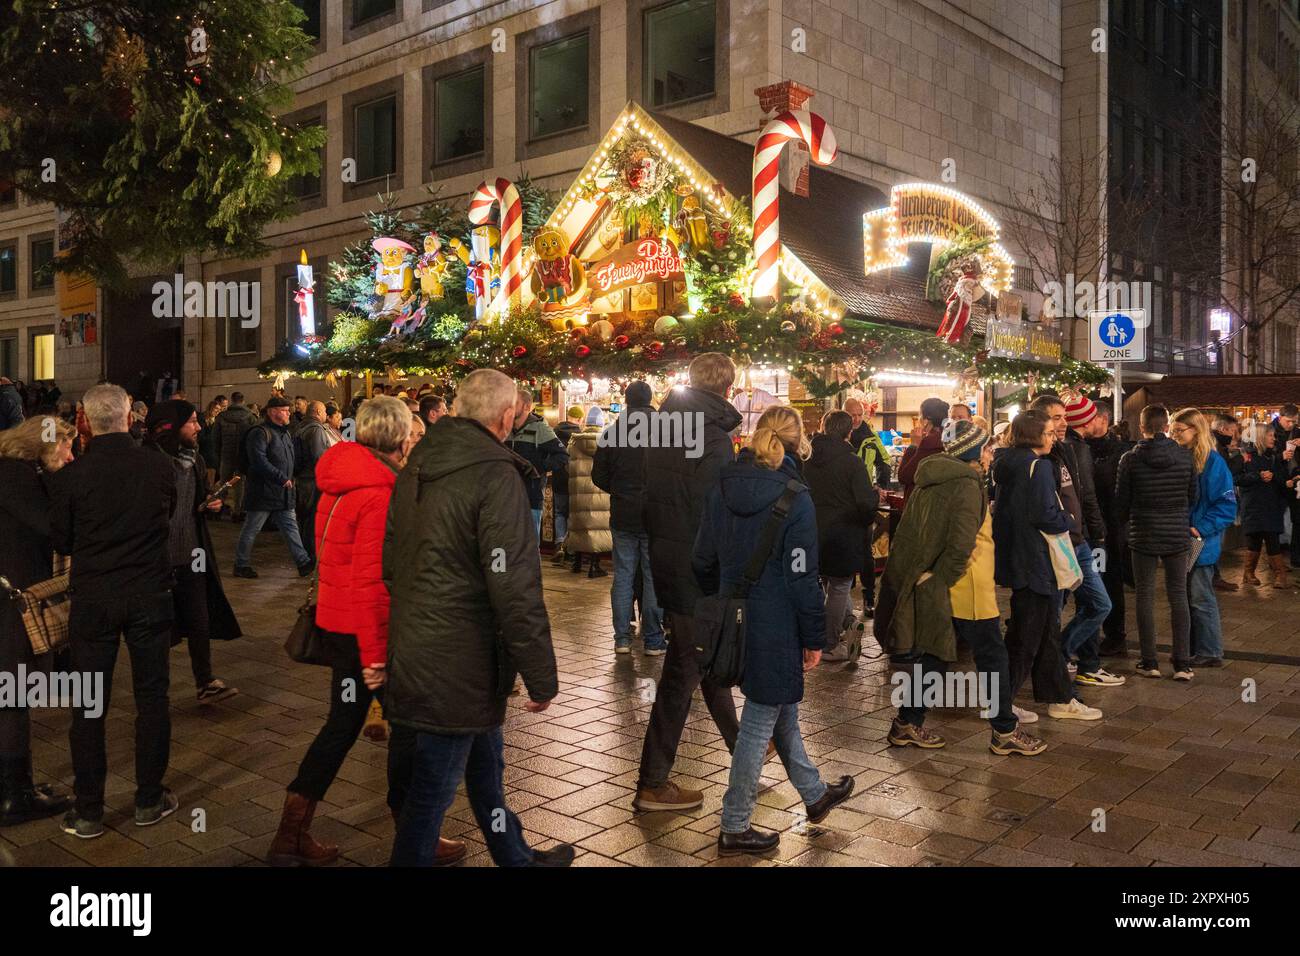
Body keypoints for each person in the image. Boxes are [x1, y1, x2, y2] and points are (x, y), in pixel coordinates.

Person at [266, 397, 466, 867]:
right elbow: (374, 584)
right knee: (408, 730)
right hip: (370, 633)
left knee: (341, 726)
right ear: (398, 438)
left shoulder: (340, 480)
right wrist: (377, 655)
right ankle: (414, 833)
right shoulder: (379, 493)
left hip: (338, 623)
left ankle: (290, 833)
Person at [385, 370, 568, 868]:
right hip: (460, 659)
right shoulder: (495, 474)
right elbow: (513, 585)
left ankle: (515, 856)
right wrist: (541, 675)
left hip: (421, 644)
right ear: (508, 416)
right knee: (432, 792)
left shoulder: (418, 463)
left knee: (487, 771)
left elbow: (390, 559)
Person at [694, 405, 855, 856]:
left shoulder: (721, 485)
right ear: (796, 440)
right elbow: (803, 577)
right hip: (776, 621)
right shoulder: (795, 497)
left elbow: (701, 558)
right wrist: (814, 636)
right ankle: (735, 824)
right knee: (758, 722)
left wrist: (725, 601)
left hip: (733, 617)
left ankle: (814, 793)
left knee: (778, 707)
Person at [50, 384, 180, 839]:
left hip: (95, 597)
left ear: (85, 420)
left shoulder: (73, 475)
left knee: (89, 707)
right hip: (148, 592)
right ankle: (148, 797)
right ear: (129, 417)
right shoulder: (158, 464)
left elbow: (62, 540)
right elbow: (169, 517)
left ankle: (88, 809)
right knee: (152, 698)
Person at [877, 421, 1045, 755]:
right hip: (967, 584)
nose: (989, 454)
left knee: (936, 655)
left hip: (952, 584)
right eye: (985, 448)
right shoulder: (967, 484)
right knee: (992, 657)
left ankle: (907, 723)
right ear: (971, 451)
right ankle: (1005, 730)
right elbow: (961, 543)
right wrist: (943, 579)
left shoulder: (935, 477)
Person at [635, 352, 742, 813]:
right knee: (684, 670)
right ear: (727, 388)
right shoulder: (716, 440)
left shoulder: (659, 431)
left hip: (666, 557)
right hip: (698, 568)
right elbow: (719, 513)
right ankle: (653, 782)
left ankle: (747, 749)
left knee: (702, 658)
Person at [992, 409, 1102, 722]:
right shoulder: (1037, 467)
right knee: (1027, 636)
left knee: (1043, 633)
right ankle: (1001, 702)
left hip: (1018, 557)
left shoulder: (1006, 464)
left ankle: (1059, 697)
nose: (1054, 438)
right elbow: (1044, 515)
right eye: (1050, 433)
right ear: (1035, 435)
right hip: (1037, 560)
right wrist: (1067, 519)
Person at [0, 416, 76, 825]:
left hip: (11, 598)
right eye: (64, 447)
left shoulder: (15, 471)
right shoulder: (15, 476)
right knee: (12, 696)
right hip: (13, 605)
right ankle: (16, 796)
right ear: (42, 445)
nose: (69, 454)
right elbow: (53, 527)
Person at [143, 400, 242, 703]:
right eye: (192, 422)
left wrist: (211, 503)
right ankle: (152, 691)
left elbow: (197, 502)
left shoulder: (194, 460)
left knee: (199, 619)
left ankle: (205, 681)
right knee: (156, 628)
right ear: (171, 427)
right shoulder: (148, 461)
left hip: (193, 554)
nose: (199, 427)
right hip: (156, 560)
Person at [1029, 393, 1121, 688]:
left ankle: (1059, 656)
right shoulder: (1037, 460)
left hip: (1080, 542)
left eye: (1064, 417)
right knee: (1054, 609)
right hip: (1059, 543)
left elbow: (1083, 493)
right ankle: (1052, 669)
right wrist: (1076, 525)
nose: (1062, 423)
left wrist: (1093, 530)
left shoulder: (1067, 451)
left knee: (1099, 604)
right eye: (1056, 418)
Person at [1115, 404, 1198, 680]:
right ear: (1166, 426)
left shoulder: (1130, 459)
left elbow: (1122, 503)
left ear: (1142, 427)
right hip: (1176, 533)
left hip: (1143, 533)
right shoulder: (1185, 458)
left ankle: (1149, 661)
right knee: (1178, 595)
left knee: (1145, 596)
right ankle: (1182, 663)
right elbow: (1192, 496)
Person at [592, 382, 665, 654]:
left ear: (626, 401)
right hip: (655, 514)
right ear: (650, 400)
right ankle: (654, 639)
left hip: (623, 513)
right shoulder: (667, 431)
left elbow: (598, 476)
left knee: (622, 575)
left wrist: (621, 490)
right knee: (652, 575)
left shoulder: (611, 433)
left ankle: (622, 638)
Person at [804, 410, 878, 662]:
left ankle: (848, 623)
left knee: (830, 582)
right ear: (849, 432)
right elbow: (866, 503)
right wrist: (873, 502)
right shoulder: (852, 461)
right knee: (840, 585)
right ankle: (830, 643)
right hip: (843, 533)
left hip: (813, 529)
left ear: (823, 427)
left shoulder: (807, 458)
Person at [1171, 408, 1237, 669]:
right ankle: (1195, 648)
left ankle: (1210, 650)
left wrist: (1200, 528)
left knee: (1200, 596)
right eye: (1173, 430)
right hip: (1186, 537)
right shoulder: (1182, 456)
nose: (1174, 435)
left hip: (1199, 539)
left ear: (1195, 430)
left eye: (1179, 430)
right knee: (1188, 596)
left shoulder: (1212, 462)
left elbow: (1226, 505)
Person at [233, 395, 314, 579]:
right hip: (264, 492)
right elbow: (259, 460)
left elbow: (290, 459)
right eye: (284, 411)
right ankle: (241, 564)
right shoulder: (260, 433)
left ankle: (303, 563)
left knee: (290, 527)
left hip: (283, 492)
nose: (288, 414)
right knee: (251, 529)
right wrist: (281, 478)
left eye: (288, 410)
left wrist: (291, 477)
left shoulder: (284, 432)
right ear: (272, 412)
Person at [1084, 406, 1134, 656]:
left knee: (1110, 579)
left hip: (1111, 530)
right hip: (1089, 527)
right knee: (1092, 580)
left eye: (1089, 418)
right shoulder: (1081, 447)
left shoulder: (1121, 452)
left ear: (1103, 420)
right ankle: (1089, 635)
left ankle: (1115, 635)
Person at [505, 388, 568, 542]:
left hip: (530, 496)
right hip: (506, 497)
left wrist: (538, 467)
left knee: (530, 547)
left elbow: (562, 456)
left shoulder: (540, 428)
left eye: (515, 403)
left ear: (527, 406)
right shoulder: (505, 429)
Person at [1238, 420, 1292, 588]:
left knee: (1272, 538)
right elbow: (1237, 479)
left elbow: (1282, 478)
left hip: (1271, 505)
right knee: (1254, 540)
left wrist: (1276, 477)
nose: (1274, 439)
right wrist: (1258, 476)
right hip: (1253, 505)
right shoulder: (1246, 458)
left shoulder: (1274, 457)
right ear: (1261, 437)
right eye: (1270, 435)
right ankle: (1248, 573)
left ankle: (1280, 576)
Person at [294, 401, 331, 561]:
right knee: (312, 518)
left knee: (303, 517)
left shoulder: (300, 427)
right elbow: (319, 456)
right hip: (312, 479)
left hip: (302, 478)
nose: (326, 415)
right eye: (323, 412)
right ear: (317, 412)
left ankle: (304, 551)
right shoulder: (316, 430)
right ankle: (311, 553)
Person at [1210, 414, 1244, 592]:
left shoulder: (1215, 444)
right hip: (1214, 504)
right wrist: (1240, 458)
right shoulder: (1215, 446)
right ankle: (1211, 577)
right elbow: (1225, 471)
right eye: (1232, 431)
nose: (1234, 435)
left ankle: (1210, 576)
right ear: (1223, 429)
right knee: (1212, 541)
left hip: (1213, 504)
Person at [213, 391, 257, 520]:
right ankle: (238, 511)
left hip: (226, 454)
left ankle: (218, 508)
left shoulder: (222, 416)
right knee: (240, 484)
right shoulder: (250, 417)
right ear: (243, 401)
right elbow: (254, 438)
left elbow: (215, 438)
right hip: (242, 456)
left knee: (224, 483)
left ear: (232, 400)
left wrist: (219, 453)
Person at [898, 397, 949, 506]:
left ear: (926, 419)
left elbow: (905, 476)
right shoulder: (949, 438)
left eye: (920, 415)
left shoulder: (929, 442)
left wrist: (914, 445)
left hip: (922, 503)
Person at [550, 405, 584, 565]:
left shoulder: (554, 432)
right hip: (575, 480)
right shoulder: (580, 435)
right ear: (579, 419)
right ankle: (571, 549)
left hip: (558, 479)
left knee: (560, 513)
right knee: (573, 514)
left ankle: (559, 544)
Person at [1273, 403, 1300, 568]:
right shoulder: (1270, 431)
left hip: (1296, 479)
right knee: (1274, 519)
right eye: (1288, 421)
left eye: (1294, 421)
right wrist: (1280, 455)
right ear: (1280, 417)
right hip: (1277, 479)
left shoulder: (1297, 431)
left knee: (1298, 519)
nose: (1291, 425)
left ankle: (1296, 558)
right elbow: (1262, 454)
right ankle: (1275, 561)